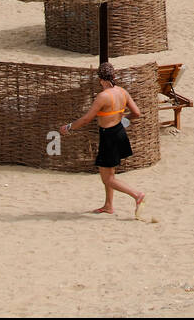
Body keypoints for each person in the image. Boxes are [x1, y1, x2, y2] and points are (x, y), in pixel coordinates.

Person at [60, 62, 146, 218]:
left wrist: (69, 127)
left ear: (101, 79)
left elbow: (86, 119)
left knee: (107, 178)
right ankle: (108, 205)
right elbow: (137, 113)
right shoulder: (122, 92)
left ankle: (137, 195)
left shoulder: (103, 96)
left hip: (109, 137)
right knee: (110, 172)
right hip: (119, 133)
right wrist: (124, 121)